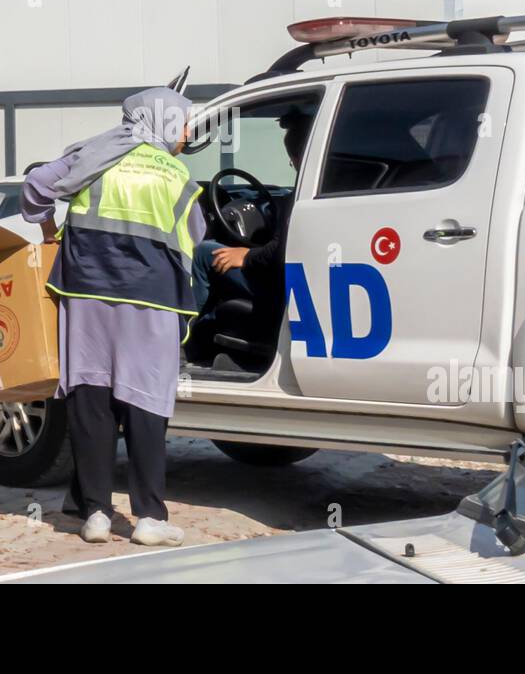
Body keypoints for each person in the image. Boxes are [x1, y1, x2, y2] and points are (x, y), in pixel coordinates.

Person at [21, 86, 203, 546]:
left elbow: (37, 185)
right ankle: (148, 518)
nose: (185, 134)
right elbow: (194, 235)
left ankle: (96, 513)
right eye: (182, 123)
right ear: (161, 121)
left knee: (91, 396)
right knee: (145, 401)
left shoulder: (93, 154)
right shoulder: (175, 173)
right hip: (152, 301)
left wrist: (47, 228)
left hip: (84, 293)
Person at [190, 110, 313, 360]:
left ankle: (189, 337)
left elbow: (281, 253)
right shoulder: (310, 190)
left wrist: (247, 256)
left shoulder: (301, 198)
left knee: (204, 253)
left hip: (282, 282)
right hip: (297, 277)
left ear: (299, 158)